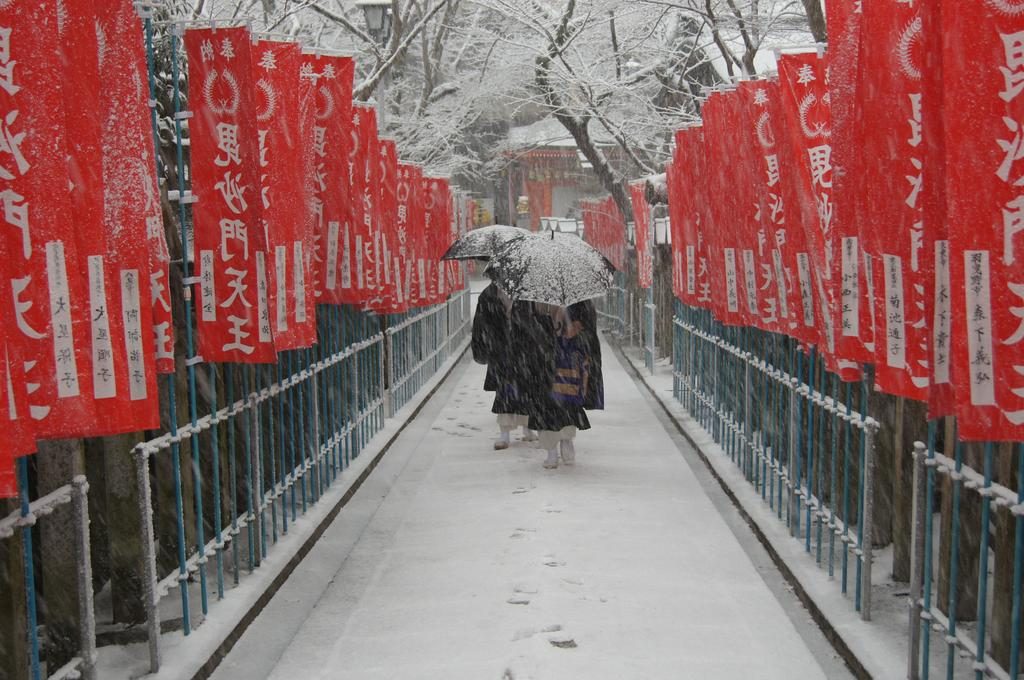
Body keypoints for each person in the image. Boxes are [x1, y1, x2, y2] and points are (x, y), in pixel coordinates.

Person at [528, 300, 604, 469]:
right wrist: (548, 331)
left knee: (567, 406)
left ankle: (566, 441)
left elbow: (589, 331)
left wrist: (577, 328)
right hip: (544, 364)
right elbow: (530, 328)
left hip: (569, 364)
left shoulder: (580, 302)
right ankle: (551, 451)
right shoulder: (537, 300)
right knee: (546, 408)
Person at [471, 281, 537, 449]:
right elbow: (481, 324)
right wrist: (482, 347)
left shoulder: (527, 291)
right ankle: (505, 434)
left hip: (524, 349)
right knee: (504, 393)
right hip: (501, 351)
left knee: (527, 390)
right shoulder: (489, 295)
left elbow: (535, 321)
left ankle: (528, 427)